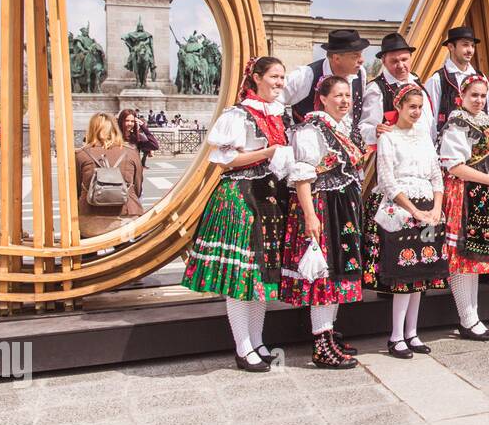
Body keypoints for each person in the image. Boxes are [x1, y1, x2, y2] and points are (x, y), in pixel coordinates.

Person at [181, 56, 293, 372]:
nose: (280, 83)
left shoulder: (278, 114)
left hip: (269, 199)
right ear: (256, 78)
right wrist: (268, 153)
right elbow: (224, 160)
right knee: (242, 275)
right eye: (274, 76)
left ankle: (257, 341)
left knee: (262, 275)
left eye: (282, 77)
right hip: (241, 199)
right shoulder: (237, 114)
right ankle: (243, 347)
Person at [281, 74, 369, 370]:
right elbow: (303, 175)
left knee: (338, 274)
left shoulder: (341, 128)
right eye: (338, 96)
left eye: (347, 96)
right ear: (323, 98)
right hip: (323, 205)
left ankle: (329, 335)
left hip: (342, 206)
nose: (344, 101)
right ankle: (320, 344)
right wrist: (309, 216)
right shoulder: (312, 129)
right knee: (324, 276)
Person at [361, 83, 447, 358]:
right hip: (401, 208)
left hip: (426, 207)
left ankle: (413, 331)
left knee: (421, 274)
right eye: (412, 106)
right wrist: (414, 210)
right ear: (398, 107)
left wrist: (436, 208)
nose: (417, 112)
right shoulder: (389, 138)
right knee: (403, 275)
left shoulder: (423, 137)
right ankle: (396, 335)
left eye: (421, 107)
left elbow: (436, 174)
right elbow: (387, 180)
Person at [439, 74, 489, 341]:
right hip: (464, 192)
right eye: (474, 96)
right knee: (463, 259)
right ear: (462, 96)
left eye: (483, 95)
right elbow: (455, 166)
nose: (479, 100)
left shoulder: (487, 122)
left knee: (474, 261)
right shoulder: (458, 123)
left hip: (484, 192)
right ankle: (467, 319)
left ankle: (473, 316)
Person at [279, 28, 369, 130]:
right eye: (355, 56)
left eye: (361, 54)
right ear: (336, 58)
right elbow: (274, 98)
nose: (362, 60)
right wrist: (285, 131)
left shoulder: (361, 73)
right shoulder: (306, 75)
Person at [358, 32, 434, 148]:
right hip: (397, 157)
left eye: (404, 59)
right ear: (383, 61)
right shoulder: (376, 89)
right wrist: (375, 131)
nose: (401, 65)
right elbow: (364, 128)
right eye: (394, 61)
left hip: (426, 153)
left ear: (410, 57)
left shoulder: (415, 80)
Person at [74, 111, 145, 236]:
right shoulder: (131, 153)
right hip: (125, 219)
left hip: (91, 220)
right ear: (115, 129)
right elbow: (138, 188)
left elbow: (76, 190)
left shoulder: (81, 155)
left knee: (87, 246)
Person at [426, 25, 489, 138]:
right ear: (451, 47)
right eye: (465, 45)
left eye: (472, 46)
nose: (470, 50)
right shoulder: (438, 79)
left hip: (479, 143)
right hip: (448, 143)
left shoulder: (481, 77)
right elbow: (430, 117)